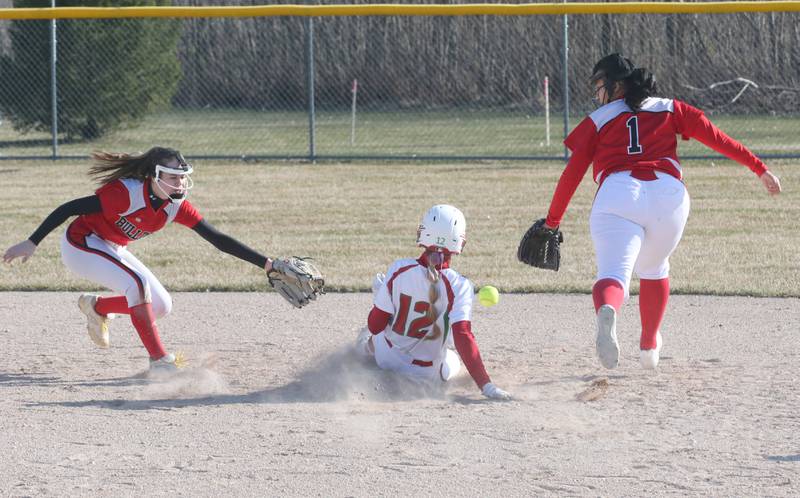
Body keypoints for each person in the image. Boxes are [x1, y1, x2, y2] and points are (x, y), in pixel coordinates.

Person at [537, 54, 782, 370]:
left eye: (600, 86)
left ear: (616, 85)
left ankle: (609, 308)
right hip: (670, 198)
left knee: (614, 274)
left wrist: (552, 221)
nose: (597, 94)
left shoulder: (598, 119)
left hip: (618, 194)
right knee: (653, 267)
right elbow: (717, 138)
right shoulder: (671, 107)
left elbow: (571, 175)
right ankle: (649, 345)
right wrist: (759, 168)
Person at [3, 147, 283, 374]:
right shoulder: (125, 194)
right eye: (173, 177)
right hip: (81, 244)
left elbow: (217, 238)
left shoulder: (175, 207)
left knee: (161, 305)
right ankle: (159, 362)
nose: (180, 183)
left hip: (110, 246)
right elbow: (69, 209)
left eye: (182, 177)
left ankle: (97, 307)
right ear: (153, 176)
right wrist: (32, 242)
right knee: (137, 285)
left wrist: (267, 264)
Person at [357, 204, 512, 400]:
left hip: (386, 359)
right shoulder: (460, 285)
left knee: (369, 335)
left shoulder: (399, 269)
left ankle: (362, 348)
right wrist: (486, 385)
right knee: (453, 357)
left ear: (423, 233)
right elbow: (463, 336)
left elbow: (375, 325)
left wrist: (380, 297)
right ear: (459, 241)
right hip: (427, 374)